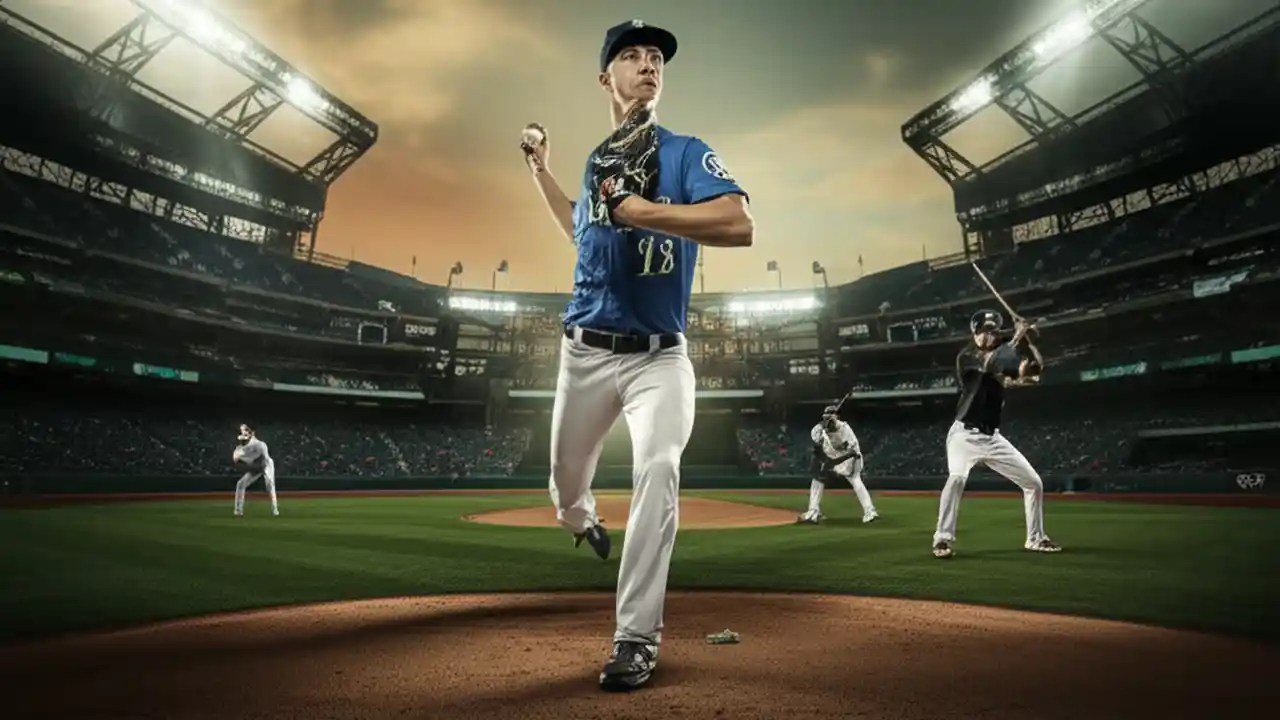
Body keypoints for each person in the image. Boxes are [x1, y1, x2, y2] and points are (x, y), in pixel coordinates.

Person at [521, 19, 754, 691]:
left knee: (657, 466)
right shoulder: (599, 162)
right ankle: (583, 520)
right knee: (565, 487)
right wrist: (540, 170)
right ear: (606, 78)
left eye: (657, 56)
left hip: (660, 358)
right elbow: (582, 226)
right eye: (632, 55)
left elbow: (738, 224)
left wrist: (644, 211)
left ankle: (635, 637)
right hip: (584, 355)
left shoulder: (684, 153)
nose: (649, 63)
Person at [931, 311, 1060, 559]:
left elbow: (1033, 371)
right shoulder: (967, 357)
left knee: (1033, 483)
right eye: (984, 332)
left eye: (993, 331)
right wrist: (1015, 338)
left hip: (992, 438)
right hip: (963, 436)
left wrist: (1028, 342)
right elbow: (988, 364)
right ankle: (942, 539)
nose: (989, 336)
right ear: (975, 333)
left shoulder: (1003, 354)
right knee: (956, 479)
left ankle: (1035, 538)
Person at [796, 405, 879, 525]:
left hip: (850, 460)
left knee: (856, 481)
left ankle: (870, 511)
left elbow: (852, 453)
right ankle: (813, 512)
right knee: (817, 480)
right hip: (831, 457)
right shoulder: (818, 430)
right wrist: (823, 463)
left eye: (831, 419)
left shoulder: (845, 430)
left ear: (837, 418)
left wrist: (831, 463)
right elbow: (816, 450)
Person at [233, 424, 278, 517]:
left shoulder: (260, 445)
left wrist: (256, 467)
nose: (243, 441)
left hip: (266, 465)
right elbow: (238, 463)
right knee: (240, 483)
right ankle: (238, 511)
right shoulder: (238, 450)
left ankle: (275, 510)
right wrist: (250, 467)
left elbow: (264, 462)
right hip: (254, 466)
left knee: (269, 485)